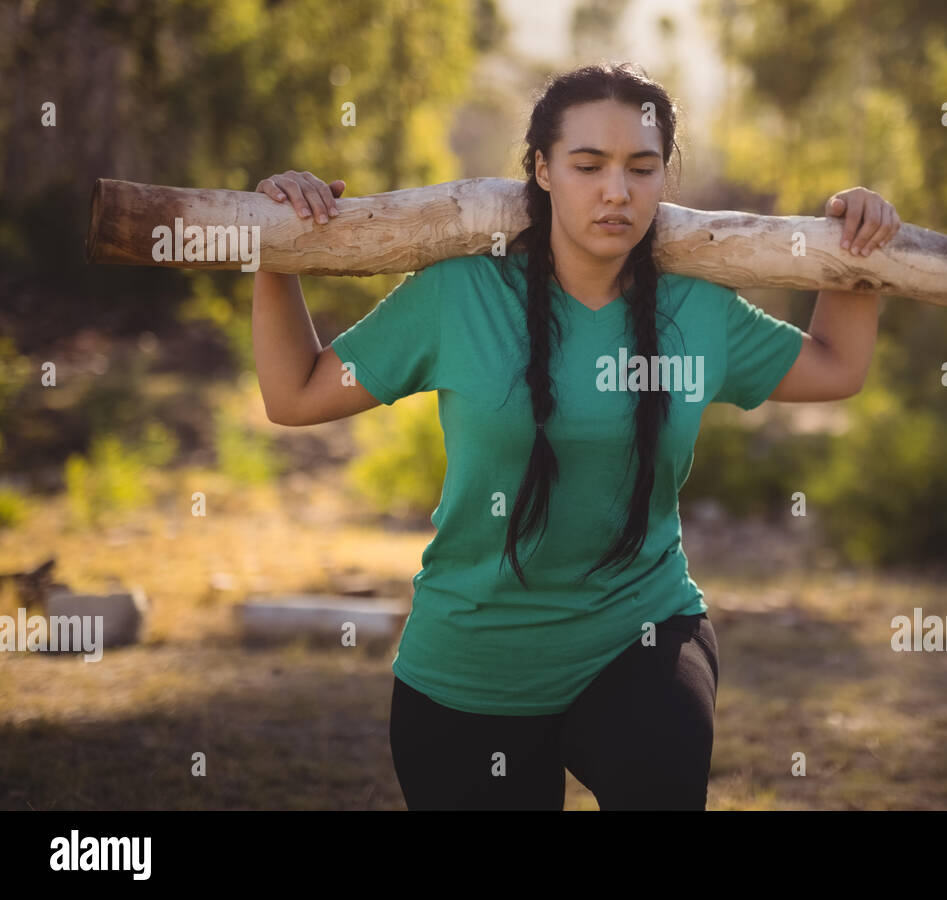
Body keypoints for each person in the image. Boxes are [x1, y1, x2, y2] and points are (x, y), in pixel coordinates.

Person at [251, 62, 899, 810]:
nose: (616, 191)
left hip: (641, 636)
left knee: (661, 776)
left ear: (664, 178)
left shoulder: (699, 310)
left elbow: (836, 365)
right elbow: (294, 394)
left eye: (641, 168)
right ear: (543, 171)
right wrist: (276, 250)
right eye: (588, 165)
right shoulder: (458, 294)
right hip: (471, 662)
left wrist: (857, 244)